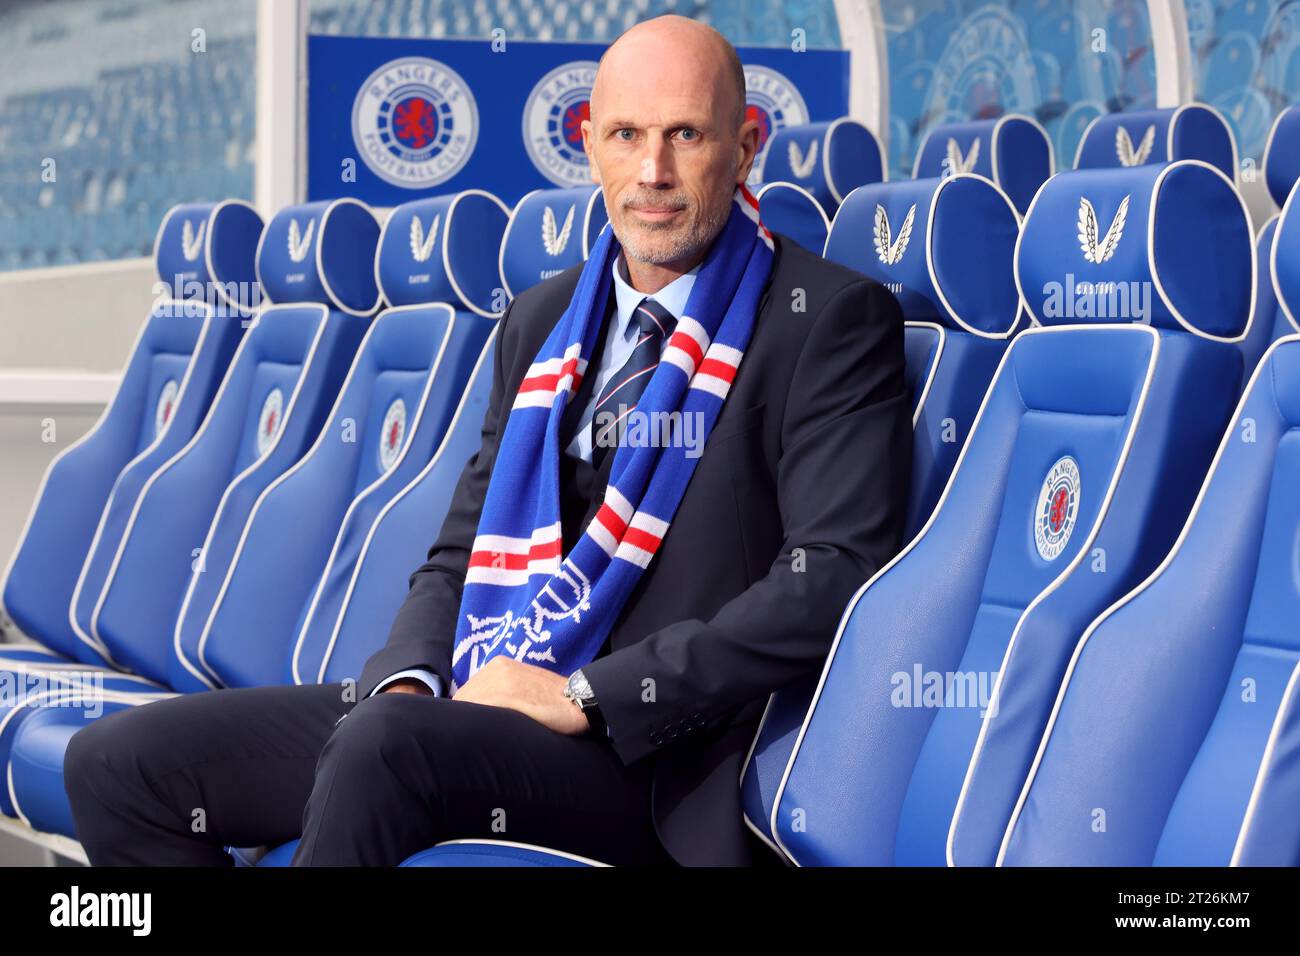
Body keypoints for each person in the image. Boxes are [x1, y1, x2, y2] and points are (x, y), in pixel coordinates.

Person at [64, 14, 911, 867]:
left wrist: (585, 692)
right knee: (118, 765)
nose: (653, 173)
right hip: (480, 693)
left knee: (386, 747)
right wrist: (411, 675)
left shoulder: (825, 317)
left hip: (642, 755)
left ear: (745, 144)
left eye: (685, 135)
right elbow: (459, 551)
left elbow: (832, 573)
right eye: (626, 136)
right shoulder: (543, 319)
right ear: (589, 145)